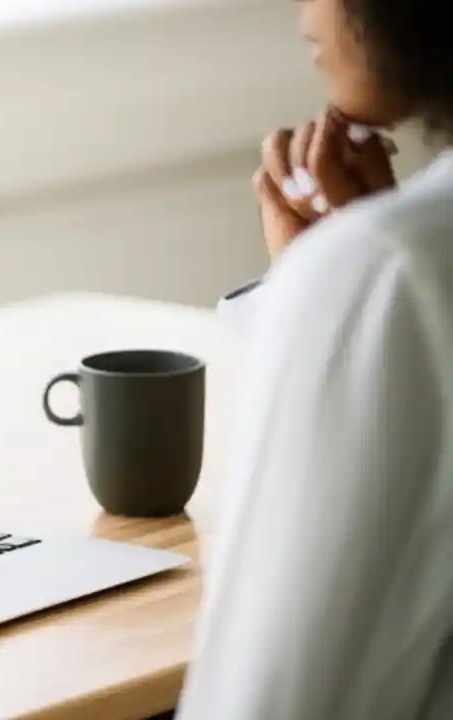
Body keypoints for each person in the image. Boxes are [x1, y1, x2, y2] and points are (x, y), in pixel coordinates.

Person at [177, 0, 452, 718]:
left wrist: (342, 283)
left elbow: (265, 702)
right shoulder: (398, 261)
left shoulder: (397, 268)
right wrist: (321, 289)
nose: (305, 14)